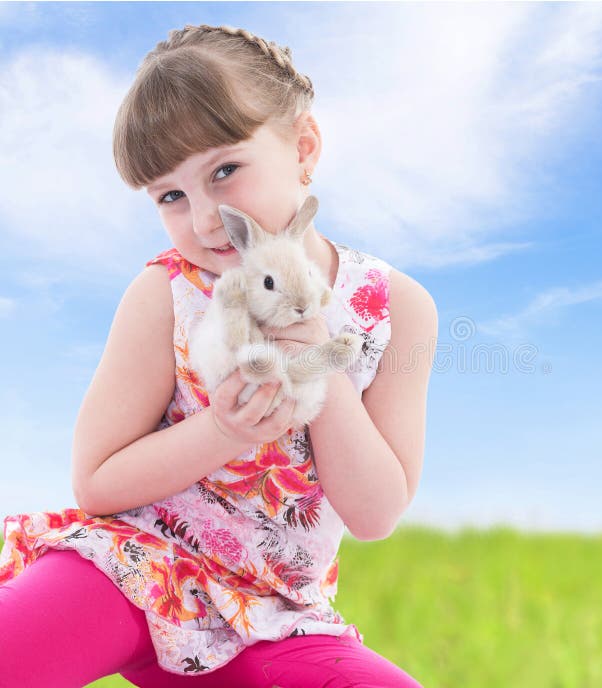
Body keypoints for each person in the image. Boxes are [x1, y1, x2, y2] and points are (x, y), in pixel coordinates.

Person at [0, 23, 437, 688]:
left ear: (304, 147)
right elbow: (96, 482)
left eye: (224, 171)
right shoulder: (167, 293)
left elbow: (375, 513)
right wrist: (222, 431)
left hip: (273, 616)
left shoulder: (393, 308)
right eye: (171, 196)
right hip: (132, 569)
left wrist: (320, 360)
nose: (204, 219)